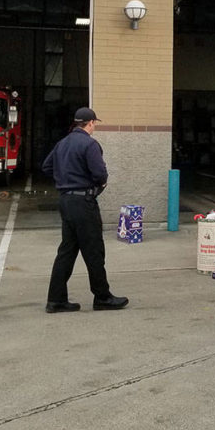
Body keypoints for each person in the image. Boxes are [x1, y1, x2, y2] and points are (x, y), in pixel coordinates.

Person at [42, 107, 128, 313]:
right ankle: (102, 297)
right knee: (94, 250)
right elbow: (100, 174)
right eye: (94, 123)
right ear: (91, 123)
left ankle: (56, 300)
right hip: (83, 202)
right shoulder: (90, 144)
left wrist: (65, 179)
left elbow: (46, 166)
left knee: (67, 251)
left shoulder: (62, 143)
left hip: (66, 201)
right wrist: (97, 183)